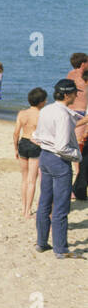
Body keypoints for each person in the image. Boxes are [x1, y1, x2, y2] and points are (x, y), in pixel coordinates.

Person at [33, 79, 85, 258]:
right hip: (59, 160)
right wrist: (78, 156)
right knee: (61, 207)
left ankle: (41, 243)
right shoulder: (63, 115)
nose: (77, 95)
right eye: (74, 93)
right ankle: (61, 249)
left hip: (45, 156)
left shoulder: (47, 109)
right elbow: (62, 147)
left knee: (44, 202)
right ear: (66, 94)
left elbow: (37, 135)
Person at [13, 88, 47, 219]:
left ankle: (23, 208)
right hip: (34, 145)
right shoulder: (41, 115)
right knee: (32, 180)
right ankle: (28, 211)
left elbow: (16, 133)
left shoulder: (22, 113)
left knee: (24, 179)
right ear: (41, 102)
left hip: (23, 142)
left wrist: (15, 148)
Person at [66, 52, 88, 200]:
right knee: (77, 150)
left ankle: (78, 184)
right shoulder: (77, 77)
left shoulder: (71, 75)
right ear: (83, 64)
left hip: (73, 113)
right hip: (78, 114)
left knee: (76, 149)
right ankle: (77, 186)